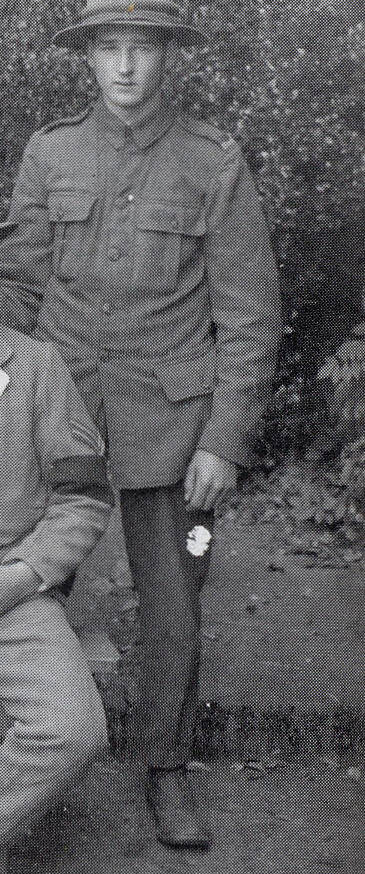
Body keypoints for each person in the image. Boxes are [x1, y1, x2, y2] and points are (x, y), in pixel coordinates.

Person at [0, 0, 282, 850]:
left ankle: (164, 767)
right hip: (63, 418)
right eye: (110, 46)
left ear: (170, 55)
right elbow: (19, 292)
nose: (126, 66)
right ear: (86, 55)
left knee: (172, 606)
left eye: (145, 47)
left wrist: (225, 440)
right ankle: (28, 744)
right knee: (30, 583)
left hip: (175, 426)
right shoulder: (49, 153)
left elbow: (250, 316)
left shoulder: (213, 162)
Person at [0, 316, 113, 874]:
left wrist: (21, 575)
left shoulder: (38, 369)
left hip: (10, 590)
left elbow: (84, 495)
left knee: (70, 729)